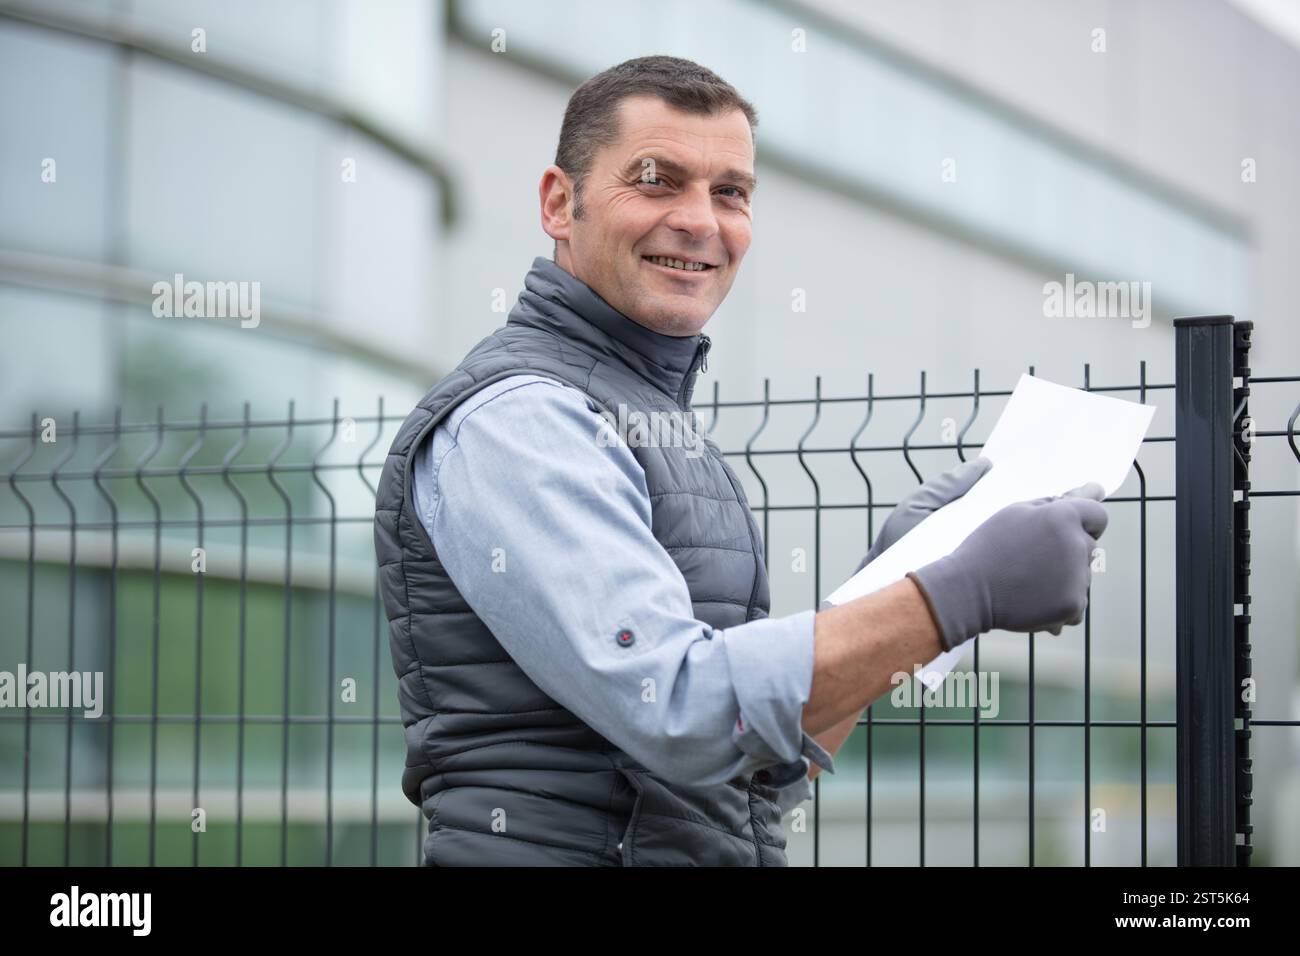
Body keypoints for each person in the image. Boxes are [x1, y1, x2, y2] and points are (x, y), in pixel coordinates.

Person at [373, 55, 1108, 866]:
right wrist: (949, 596)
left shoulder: (644, 416)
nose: (701, 221)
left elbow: (752, 775)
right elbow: (682, 709)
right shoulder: (522, 419)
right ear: (559, 202)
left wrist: (891, 586)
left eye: (731, 192)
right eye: (657, 181)